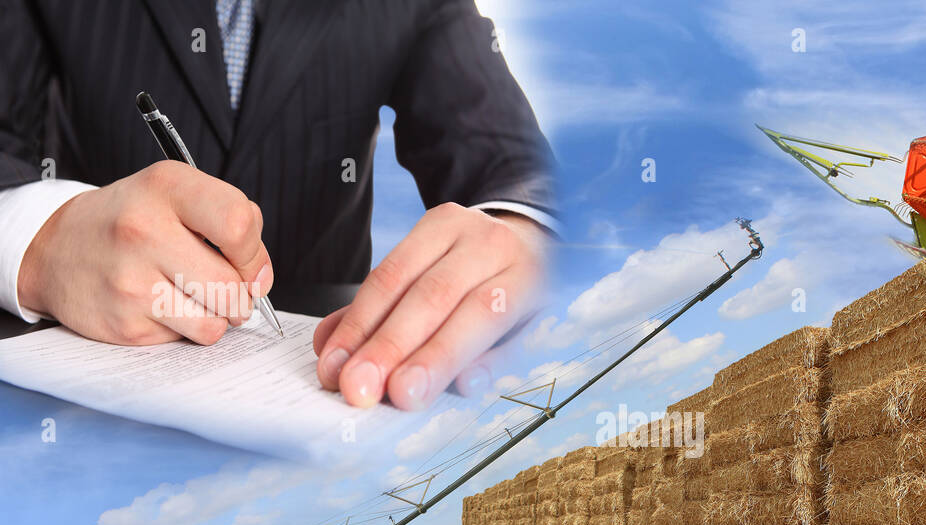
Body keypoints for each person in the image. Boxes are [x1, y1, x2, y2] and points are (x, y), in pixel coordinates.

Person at [0, 0, 557, 410]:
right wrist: (41, 244)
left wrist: (520, 234)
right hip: (96, 376)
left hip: (311, 367)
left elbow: (511, 162)